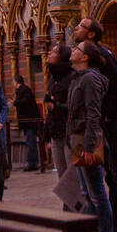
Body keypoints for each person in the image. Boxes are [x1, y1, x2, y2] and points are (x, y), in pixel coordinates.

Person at [74, 16, 117, 232]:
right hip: (109, 122)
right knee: (113, 175)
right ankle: (116, 226)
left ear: (91, 34)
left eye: (82, 26)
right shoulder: (97, 57)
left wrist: (109, 116)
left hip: (116, 122)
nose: (77, 28)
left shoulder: (103, 56)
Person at [67, 42, 115, 232]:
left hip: (87, 140)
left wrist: (88, 146)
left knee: (96, 192)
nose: (73, 50)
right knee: (87, 192)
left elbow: (93, 114)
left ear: (85, 57)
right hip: (78, 138)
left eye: (77, 49)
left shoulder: (89, 79)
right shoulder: (80, 77)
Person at [44, 43, 73, 177]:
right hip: (56, 132)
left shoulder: (71, 77)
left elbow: (75, 107)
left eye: (54, 52)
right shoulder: (53, 79)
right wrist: (46, 135)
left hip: (69, 132)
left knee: (73, 175)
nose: (49, 53)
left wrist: (56, 106)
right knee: (62, 175)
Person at [13, 74, 41, 171]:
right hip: (28, 121)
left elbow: (24, 101)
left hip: (30, 121)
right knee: (30, 141)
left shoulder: (24, 90)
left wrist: (15, 102)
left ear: (16, 82)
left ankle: (32, 163)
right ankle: (32, 162)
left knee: (31, 141)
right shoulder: (23, 90)